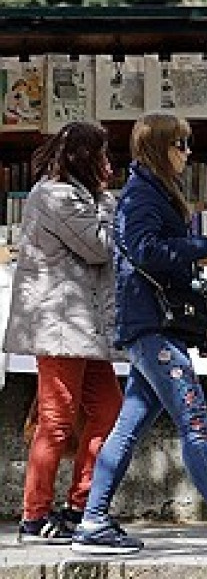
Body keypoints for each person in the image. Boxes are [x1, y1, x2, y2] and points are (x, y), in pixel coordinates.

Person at [71, 113, 207, 556]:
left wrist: (199, 327)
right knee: (194, 422)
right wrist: (204, 247)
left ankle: (92, 521)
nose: (188, 153)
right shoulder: (141, 197)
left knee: (127, 430)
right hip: (150, 329)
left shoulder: (152, 192)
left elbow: (162, 267)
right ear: (158, 148)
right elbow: (147, 251)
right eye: (181, 145)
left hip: (153, 326)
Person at [4, 121, 122, 543]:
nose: (109, 165)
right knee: (55, 420)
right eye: (103, 156)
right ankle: (34, 516)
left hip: (80, 325)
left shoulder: (77, 194)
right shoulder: (56, 195)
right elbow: (99, 246)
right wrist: (110, 204)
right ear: (84, 158)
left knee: (108, 409)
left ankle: (81, 505)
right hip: (59, 321)